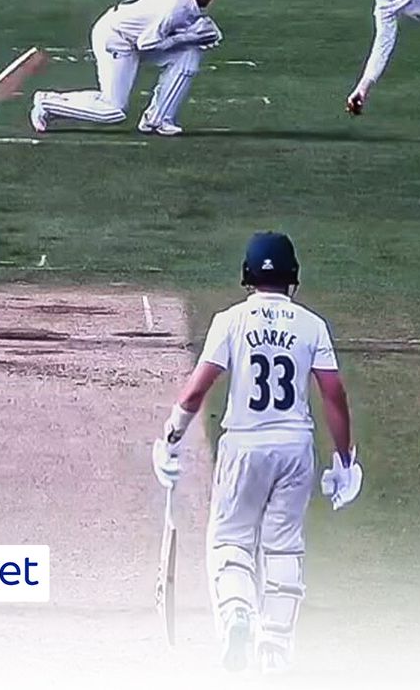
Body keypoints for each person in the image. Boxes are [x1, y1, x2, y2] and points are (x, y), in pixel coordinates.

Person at [151, 232, 362, 674]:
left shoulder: (230, 321)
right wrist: (345, 459)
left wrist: (171, 437)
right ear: (293, 278)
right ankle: (275, 647)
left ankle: (237, 616)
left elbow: (197, 390)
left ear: (247, 275)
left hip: (244, 446)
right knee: (283, 548)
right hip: (294, 448)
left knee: (231, 542)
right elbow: (334, 394)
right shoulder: (311, 325)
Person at [30, 0, 225, 136]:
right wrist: (190, 37)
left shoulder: (185, 0)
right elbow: (146, 44)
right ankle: (48, 104)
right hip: (115, 39)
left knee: (188, 54)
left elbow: (201, 31)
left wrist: (202, 37)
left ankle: (158, 119)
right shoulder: (176, 7)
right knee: (112, 111)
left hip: (131, 38)